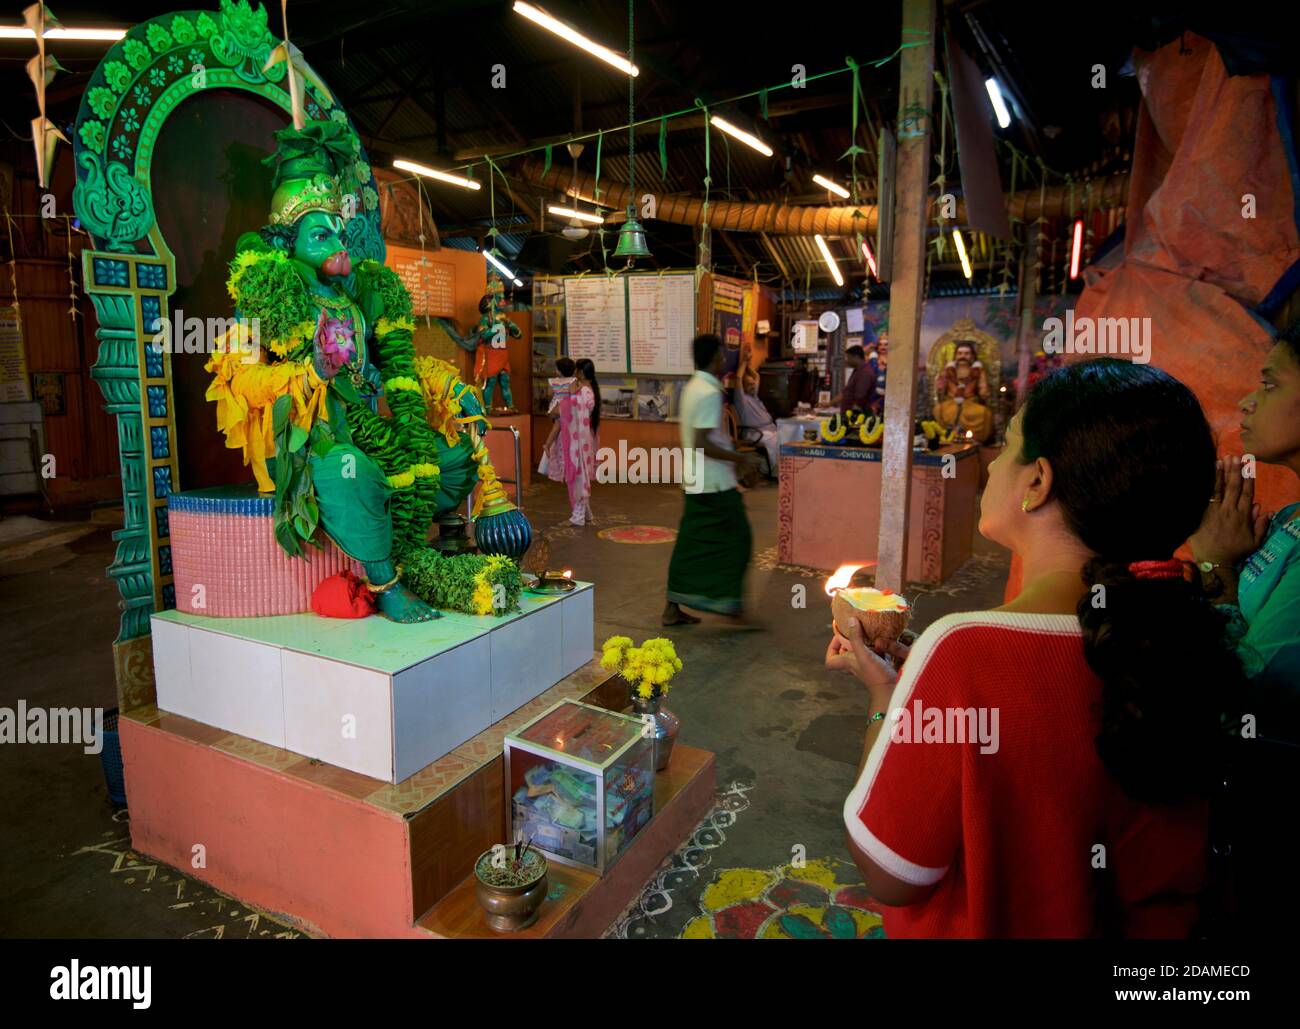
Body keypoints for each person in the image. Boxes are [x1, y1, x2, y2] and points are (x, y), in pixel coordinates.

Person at [832, 359, 1242, 938]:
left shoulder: (964, 650)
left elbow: (892, 874)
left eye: (1008, 446)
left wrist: (883, 697)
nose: (994, 461)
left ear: (1037, 482)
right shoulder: (1194, 629)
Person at [1189, 328, 1300, 932]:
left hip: (1261, 818)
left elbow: (1250, 702)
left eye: (1270, 383)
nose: (1249, 402)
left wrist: (1215, 567)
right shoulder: (1286, 521)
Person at [663, 334, 764, 627]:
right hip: (713, 483)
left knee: (691, 544)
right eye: (721, 355)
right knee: (738, 540)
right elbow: (701, 442)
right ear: (712, 358)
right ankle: (732, 607)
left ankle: (672, 607)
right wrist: (741, 459)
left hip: (698, 480)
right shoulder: (707, 392)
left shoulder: (694, 387)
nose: (724, 360)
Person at [543, 357, 599, 526]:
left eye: (576, 370)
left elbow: (556, 413)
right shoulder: (589, 392)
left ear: (580, 372)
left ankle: (578, 516)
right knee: (580, 476)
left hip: (575, 443)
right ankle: (585, 512)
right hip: (582, 441)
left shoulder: (580, 392)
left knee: (576, 477)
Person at [933, 339, 994, 442]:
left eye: (966, 353)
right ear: (955, 355)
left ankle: (973, 439)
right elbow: (940, 387)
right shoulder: (948, 370)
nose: (963, 356)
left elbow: (983, 388)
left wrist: (984, 391)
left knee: (984, 413)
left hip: (970, 402)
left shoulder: (978, 371)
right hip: (951, 403)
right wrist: (940, 382)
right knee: (938, 409)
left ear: (972, 356)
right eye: (960, 353)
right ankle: (946, 437)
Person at [833, 345, 876, 415]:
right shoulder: (857, 371)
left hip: (856, 418)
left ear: (856, 357)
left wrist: (853, 416)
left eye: (849, 358)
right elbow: (846, 392)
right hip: (849, 415)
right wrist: (829, 404)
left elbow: (860, 397)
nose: (847, 361)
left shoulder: (865, 373)